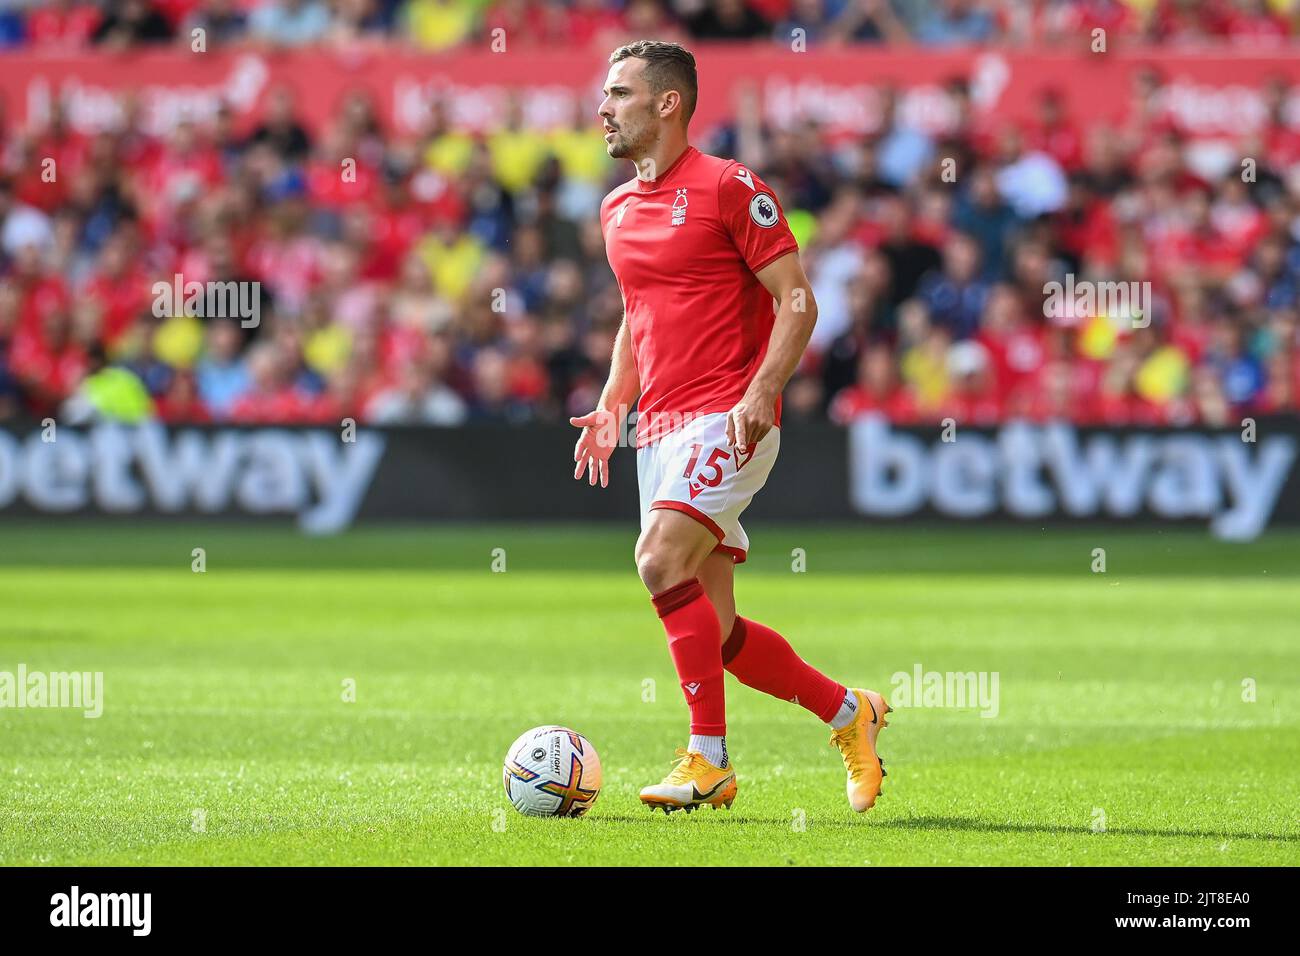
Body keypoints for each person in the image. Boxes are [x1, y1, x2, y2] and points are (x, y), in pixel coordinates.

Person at [570, 40, 891, 815]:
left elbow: (799, 299)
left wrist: (763, 390)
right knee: (716, 633)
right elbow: (637, 315)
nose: (603, 109)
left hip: (728, 415)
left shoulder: (729, 188)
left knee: (656, 560)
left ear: (668, 103)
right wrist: (615, 402)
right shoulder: (617, 208)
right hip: (661, 427)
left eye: (619, 94)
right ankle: (852, 713)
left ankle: (707, 760)